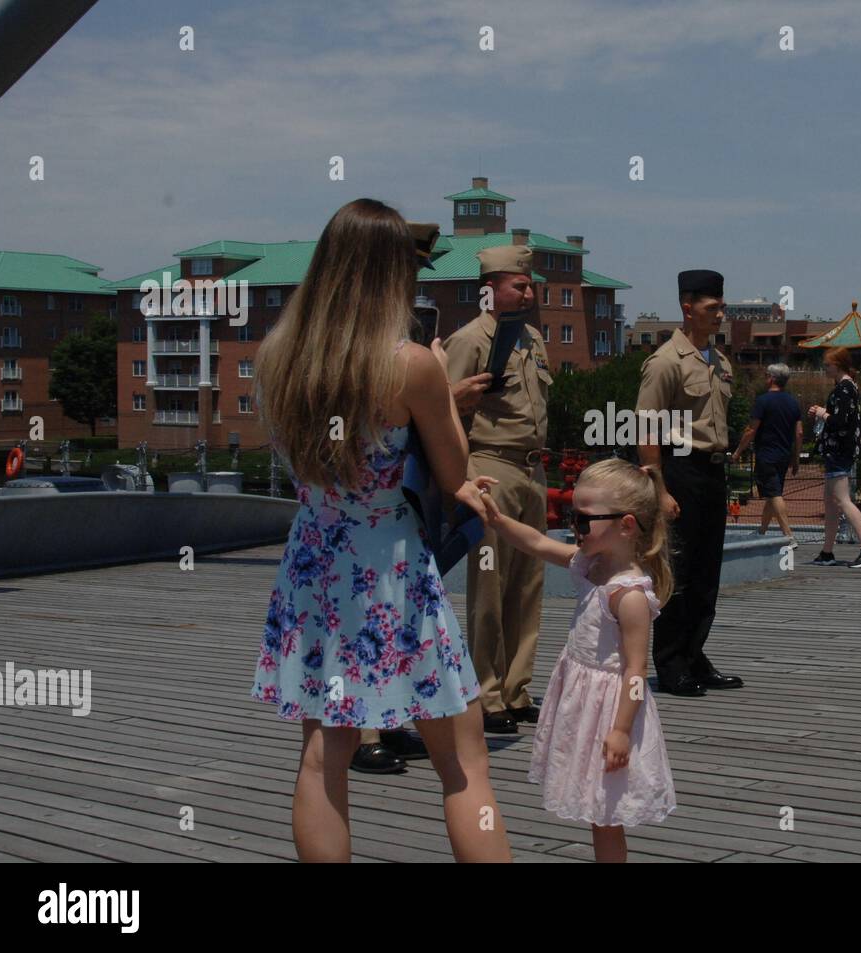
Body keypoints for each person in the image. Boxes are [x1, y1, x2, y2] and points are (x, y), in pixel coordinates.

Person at [250, 198, 511, 862]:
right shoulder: (411, 365)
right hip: (391, 569)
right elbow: (454, 475)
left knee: (321, 757)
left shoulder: (279, 356)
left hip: (313, 564)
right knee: (463, 761)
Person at [478, 459, 676, 862]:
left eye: (583, 520)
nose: (574, 527)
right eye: (573, 515)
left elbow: (636, 672)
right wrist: (497, 521)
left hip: (609, 710)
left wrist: (621, 731)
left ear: (626, 525)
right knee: (595, 808)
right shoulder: (591, 564)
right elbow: (535, 542)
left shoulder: (629, 595)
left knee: (606, 812)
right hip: (582, 700)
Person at [443, 245, 552, 733]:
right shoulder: (469, 340)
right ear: (491, 289)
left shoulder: (531, 338)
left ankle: (516, 689)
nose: (528, 292)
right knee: (489, 587)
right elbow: (444, 415)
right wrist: (460, 477)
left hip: (533, 471)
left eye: (529, 285)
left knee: (527, 584)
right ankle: (486, 695)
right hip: (490, 467)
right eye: (519, 285)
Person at [635, 269, 743, 697]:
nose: (720, 314)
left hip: (713, 472)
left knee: (705, 573)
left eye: (721, 307)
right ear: (687, 307)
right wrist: (659, 490)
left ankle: (695, 654)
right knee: (675, 572)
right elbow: (645, 430)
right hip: (679, 470)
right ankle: (671, 663)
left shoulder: (717, 361)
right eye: (711, 307)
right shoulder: (665, 362)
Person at [807, 347, 861, 568]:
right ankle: (827, 551)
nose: (825, 369)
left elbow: (840, 421)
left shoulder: (844, 389)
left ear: (838, 365)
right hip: (838, 450)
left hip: (839, 449)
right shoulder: (845, 388)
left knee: (842, 500)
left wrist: (822, 413)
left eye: (828, 365)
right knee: (831, 503)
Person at [730, 363, 802, 542]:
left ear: (771, 378)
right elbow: (799, 432)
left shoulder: (763, 401)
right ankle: (762, 530)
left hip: (767, 455)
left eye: (765, 375)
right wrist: (796, 458)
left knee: (775, 494)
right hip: (784, 455)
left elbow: (751, 430)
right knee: (772, 493)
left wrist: (737, 452)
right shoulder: (793, 402)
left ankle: (788, 536)